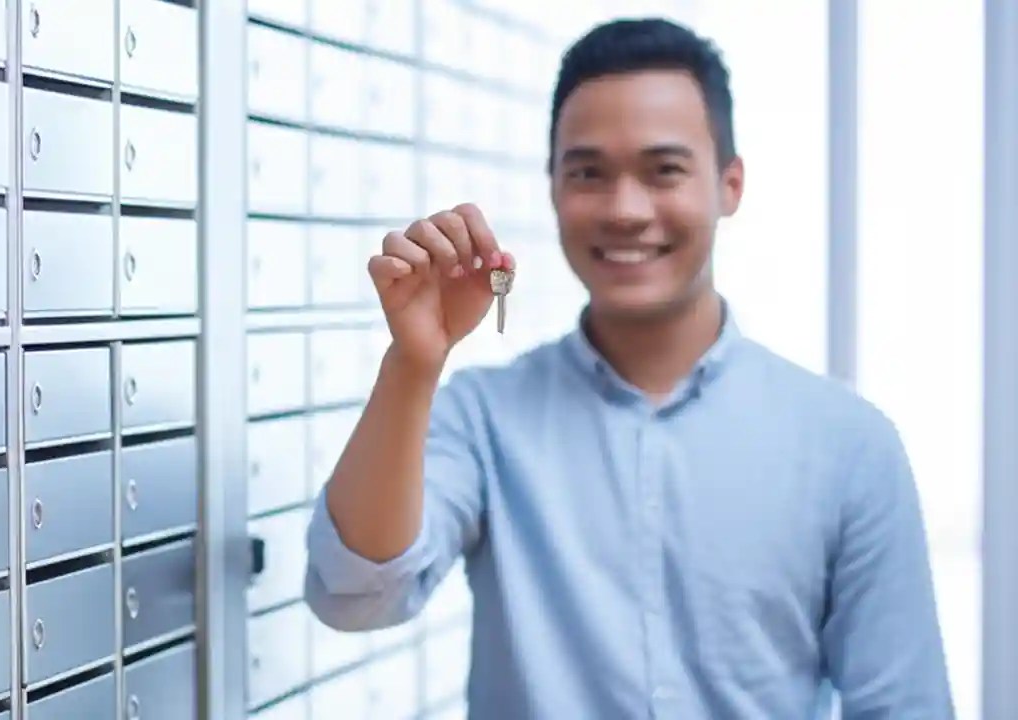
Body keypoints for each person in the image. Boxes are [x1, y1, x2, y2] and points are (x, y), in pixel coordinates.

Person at [301, 15, 954, 720]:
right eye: (588, 173)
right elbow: (355, 595)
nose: (625, 209)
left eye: (663, 171)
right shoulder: (482, 416)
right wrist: (414, 361)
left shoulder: (849, 444)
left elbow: (905, 706)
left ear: (729, 185)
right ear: (552, 187)